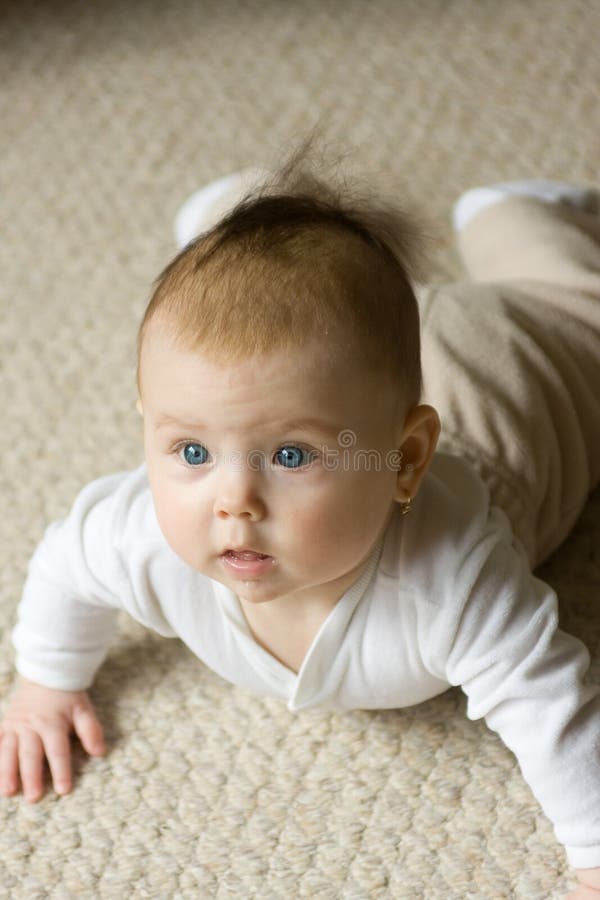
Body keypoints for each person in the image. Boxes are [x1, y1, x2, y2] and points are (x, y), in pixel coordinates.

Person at [1, 147, 600, 897]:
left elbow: (552, 703)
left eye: (289, 456)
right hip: (346, 380)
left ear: (408, 459)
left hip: (506, 373)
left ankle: (513, 210)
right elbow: (67, 563)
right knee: (290, 295)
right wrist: (48, 682)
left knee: (577, 307)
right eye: (191, 449)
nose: (234, 501)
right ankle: (249, 206)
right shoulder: (143, 535)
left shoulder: (453, 578)